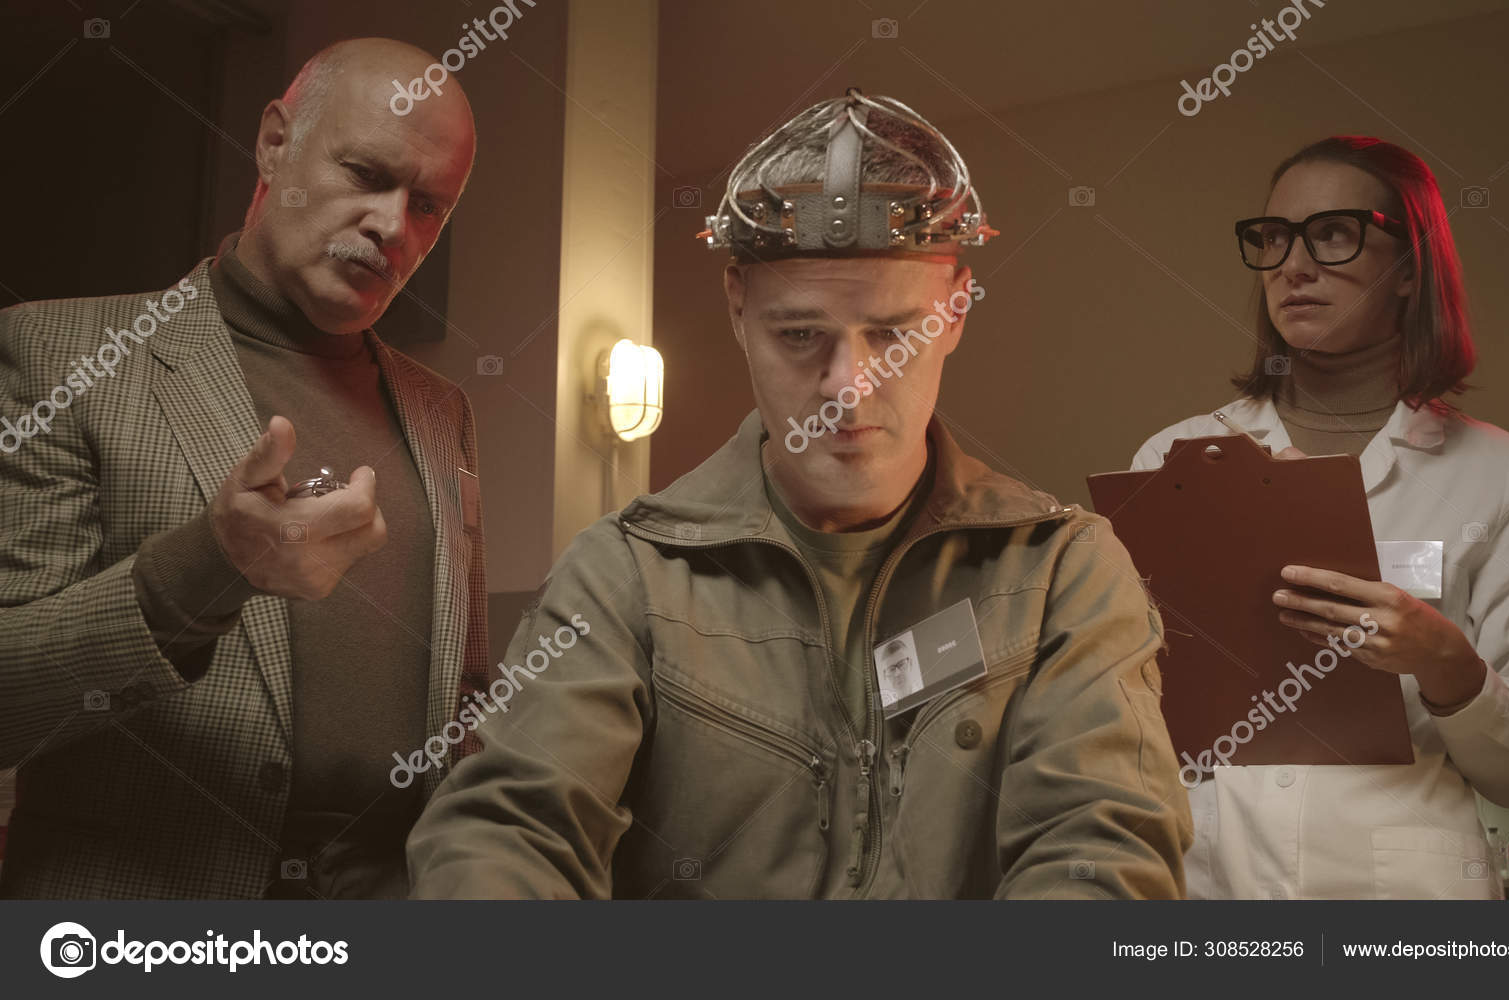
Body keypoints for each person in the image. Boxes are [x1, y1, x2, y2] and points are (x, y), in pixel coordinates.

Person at [408, 90, 1193, 899]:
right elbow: (511, 830)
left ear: (956, 310)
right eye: (800, 336)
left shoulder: (1062, 570)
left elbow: (1102, 852)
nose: (849, 387)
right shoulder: (626, 573)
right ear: (737, 307)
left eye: (893, 333)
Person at [0, 38, 487, 899]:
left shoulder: (441, 411)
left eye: (429, 207)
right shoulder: (63, 356)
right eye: (367, 173)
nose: (392, 225)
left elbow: (467, 697)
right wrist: (209, 568)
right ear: (275, 142)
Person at [1131, 135, 1509, 899]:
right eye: (1273, 238)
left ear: (1411, 269)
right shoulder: (1172, 458)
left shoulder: (1500, 476)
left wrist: (1447, 666)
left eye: (1333, 234)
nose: (1292, 266)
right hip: (1205, 880)